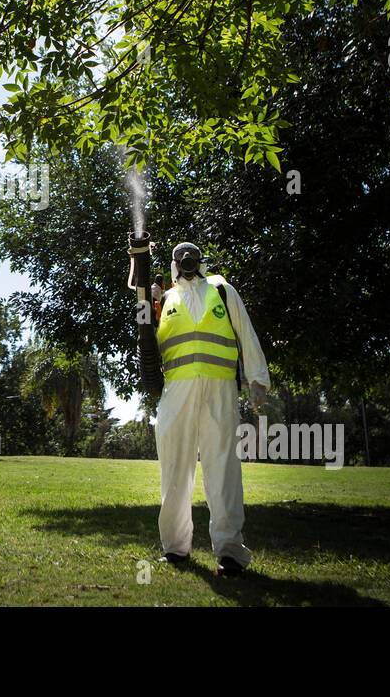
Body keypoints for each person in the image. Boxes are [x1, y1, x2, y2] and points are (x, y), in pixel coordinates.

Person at [155, 242, 269, 575]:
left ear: (200, 259)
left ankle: (230, 552)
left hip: (220, 389)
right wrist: (148, 299)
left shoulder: (220, 288)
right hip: (177, 390)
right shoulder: (164, 299)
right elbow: (146, 341)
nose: (187, 258)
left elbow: (244, 330)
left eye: (192, 253)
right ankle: (176, 548)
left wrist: (257, 378)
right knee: (175, 466)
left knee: (223, 467)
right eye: (180, 255)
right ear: (174, 264)